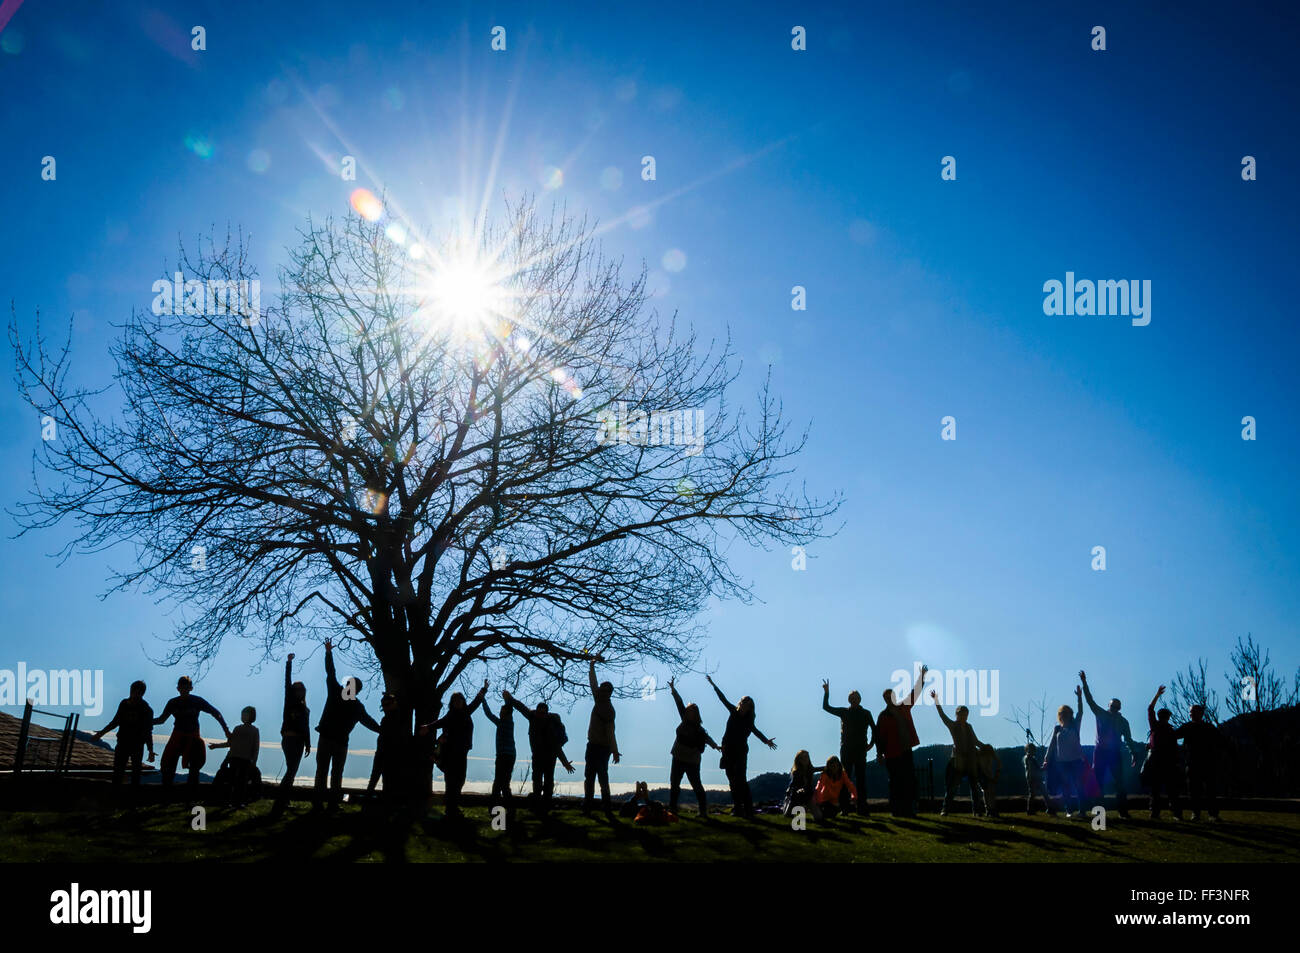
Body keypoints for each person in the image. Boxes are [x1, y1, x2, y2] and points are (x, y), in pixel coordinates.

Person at [312, 640, 381, 811]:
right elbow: (369, 722)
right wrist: (328, 653)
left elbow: (369, 722)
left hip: (332, 740)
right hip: (335, 740)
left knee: (326, 772)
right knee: (331, 773)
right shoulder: (350, 701)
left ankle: (324, 803)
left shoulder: (343, 696)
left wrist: (329, 653)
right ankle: (327, 803)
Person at [707, 674, 777, 819]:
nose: (746, 705)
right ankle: (738, 809)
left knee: (741, 781)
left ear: (751, 708)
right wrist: (713, 685)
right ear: (741, 703)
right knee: (732, 780)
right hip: (727, 749)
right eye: (744, 702)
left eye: (749, 704)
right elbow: (723, 699)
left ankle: (748, 810)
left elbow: (756, 732)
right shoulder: (733, 711)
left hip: (740, 752)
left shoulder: (749, 720)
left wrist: (766, 741)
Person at [153, 676, 230, 799]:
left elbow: (215, 712)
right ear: (178, 688)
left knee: (194, 769)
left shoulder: (197, 701)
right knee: (168, 766)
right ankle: (166, 796)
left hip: (193, 737)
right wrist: (147, 722)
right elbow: (162, 720)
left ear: (190, 688)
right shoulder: (173, 702)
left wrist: (226, 730)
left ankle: (191, 798)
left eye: (186, 688)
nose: (184, 690)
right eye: (181, 687)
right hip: (177, 736)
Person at [419, 680, 488, 816]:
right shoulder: (451, 715)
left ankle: (452, 806)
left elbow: (477, 701)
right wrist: (427, 727)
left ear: (463, 701)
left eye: (460, 700)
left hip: (462, 751)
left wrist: (484, 688)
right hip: (451, 752)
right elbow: (440, 723)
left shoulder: (465, 712)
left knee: (459, 779)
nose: (458, 702)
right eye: (455, 700)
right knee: (452, 780)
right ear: (452, 703)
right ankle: (451, 808)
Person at [504, 691, 575, 812]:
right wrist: (510, 698)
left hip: (549, 756)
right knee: (537, 780)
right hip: (537, 756)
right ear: (537, 711)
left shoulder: (550, 725)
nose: (541, 715)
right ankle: (537, 805)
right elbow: (521, 707)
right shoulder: (532, 717)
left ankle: (545, 805)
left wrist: (565, 763)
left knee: (548, 781)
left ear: (546, 713)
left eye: (543, 713)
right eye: (539, 712)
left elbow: (557, 747)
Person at [1079, 670, 1136, 819]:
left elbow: (1128, 739)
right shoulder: (1101, 714)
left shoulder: (1123, 722)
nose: (1115, 709)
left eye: (1117, 707)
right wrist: (1085, 683)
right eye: (1113, 706)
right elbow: (1090, 700)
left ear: (1120, 708)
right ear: (1108, 706)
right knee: (1098, 783)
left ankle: (1123, 812)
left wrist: (1133, 754)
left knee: (1120, 783)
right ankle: (1099, 815)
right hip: (1101, 752)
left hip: (1115, 752)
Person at [875, 664, 926, 817]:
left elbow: (916, 692)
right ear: (885, 699)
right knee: (896, 782)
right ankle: (897, 810)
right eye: (887, 696)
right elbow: (879, 737)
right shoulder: (883, 716)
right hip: (891, 753)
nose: (890, 698)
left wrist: (922, 676)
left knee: (909, 780)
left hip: (905, 750)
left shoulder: (904, 706)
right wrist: (879, 754)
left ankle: (909, 809)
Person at [932, 690, 992, 817]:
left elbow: (975, 741)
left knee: (974, 786)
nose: (963, 717)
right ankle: (945, 809)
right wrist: (936, 701)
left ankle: (977, 811)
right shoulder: (953, 726)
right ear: (957, 715)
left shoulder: (969, 727)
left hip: (970, 760)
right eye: (961, 714)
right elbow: (942, 716)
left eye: (965, 715)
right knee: (952, 787)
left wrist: (984, 747)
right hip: (958, 760)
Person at [93, 680, 156, 798]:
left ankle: (132, 800)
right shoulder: (124, 704)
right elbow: (115, 721)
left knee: (135, 773)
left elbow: (148, 731)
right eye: (133, 691)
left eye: (138, 692)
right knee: (118, 771)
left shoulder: (146, 709)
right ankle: (115, 798)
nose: (135, 694)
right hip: (122, 742)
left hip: (137, 745)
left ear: (142, 693)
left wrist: (150, 750)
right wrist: (101, 733)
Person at [668, 677, 720, 817]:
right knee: (674, 784)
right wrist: (673, 689)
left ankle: (703, 811)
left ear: (696, 715)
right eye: (688, 711)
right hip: (678, 757)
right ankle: (673, 809)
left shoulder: (699, 729)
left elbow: (707, 738)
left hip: (692, 760)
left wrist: (716, 746)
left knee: (697, 785)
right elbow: (679, 703)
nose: (689, 713)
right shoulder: (684, 720)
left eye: (692, 711)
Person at [822, 679, 874, 816]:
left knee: (861, 779)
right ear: (849, 700)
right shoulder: (844, 712)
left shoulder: (866, 713)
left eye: (856, 698)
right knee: (844, 779)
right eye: (852, 698)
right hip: (846, 750)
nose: (854, 700)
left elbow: (875, 729)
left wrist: (872, 744)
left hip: (860, 750)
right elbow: (826, 707)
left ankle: (862, 808)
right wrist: (826, 692)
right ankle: (845, 808)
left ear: (860, 699)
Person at [270, 654, 310, 819]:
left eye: (301, 689)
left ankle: (284, 800)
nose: (299, 691)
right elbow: (287, 683)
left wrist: (308, 744)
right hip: (289, 739)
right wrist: (288, 663)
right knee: (291, 770)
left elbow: (306, 727)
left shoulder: (305, 709)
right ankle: (280, 800)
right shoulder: (290, 702)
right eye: (296, 689)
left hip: (300, 741)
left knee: (292, 771)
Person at [582, 658, 621, 816]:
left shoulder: (608, 710)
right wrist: (591, 665)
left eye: (605, 690)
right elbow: (593, 682)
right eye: (602, 690)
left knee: (601, 778)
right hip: (593, 746)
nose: (601, 692)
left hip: (601, 748)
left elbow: (611, 732)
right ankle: (589, 806)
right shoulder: (599, 701)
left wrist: (614, 750)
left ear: (609, 693)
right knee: (590, 777)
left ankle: (605, 807)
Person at [1174, 704, 1226, 821]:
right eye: (1190, 712)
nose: (1191, 714)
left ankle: (1212, 814)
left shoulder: (1208, 727)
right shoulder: (1188, 727)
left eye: (1193, 711)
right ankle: (1196, 813)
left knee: (1210, 790)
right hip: (1192, 763)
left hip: (1207, 763)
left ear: (1200, 713)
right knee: (1194, 791)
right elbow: (1173, 736)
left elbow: (1221, 741)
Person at [1043, 686, 1086, 818]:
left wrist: (1079, 697)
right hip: (1062, 762)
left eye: (1068, 713)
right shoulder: (1057, 729)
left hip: (1076, 761)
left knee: (1079, 787)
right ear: (1060, 715)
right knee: (1065, 788)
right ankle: (1069, 811)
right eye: (1063, 713)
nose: (1066, 715)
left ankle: (1082, 811)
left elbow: (1081, 712)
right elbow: (1051, 745)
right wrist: (1046, 759)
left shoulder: (1075, 726)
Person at [1143, 685, 1182, 820]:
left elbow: (1150, 708)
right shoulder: (1170, 730)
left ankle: (1155, 813)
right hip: (1168, 762)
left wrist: (1157, 695)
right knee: (1171, 790)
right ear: (1168, 717)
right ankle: (1175, 813)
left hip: (1158, 762)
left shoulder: (1156, 727)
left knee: (1157, 790)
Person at [208, 706, 260, 806]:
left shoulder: (255, 730)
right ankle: (229, 800)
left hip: (246, 760)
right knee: (232, 781)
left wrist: (254, 762)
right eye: (243, 714)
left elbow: (256, 748)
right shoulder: (237, 728)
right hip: (233, 758)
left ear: (252, 716)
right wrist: (216, 746)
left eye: (246, 714)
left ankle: (239, 801)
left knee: (242, 782)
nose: (244, 716)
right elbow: (230, 744)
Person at [366, 692, 409, 802]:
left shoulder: (397, 718)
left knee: (382, 780)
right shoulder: (390, 718)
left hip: (389, 754)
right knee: (379, 779)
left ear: (394, 704)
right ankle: (375, 803)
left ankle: (374, 804)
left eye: (387, 705)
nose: (385, 708)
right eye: (384, 706)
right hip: (383, 753)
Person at [482, 692, 517, 810]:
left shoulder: (507, 722)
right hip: (505, 755)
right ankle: (502, 808)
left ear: (507, 714)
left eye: (502, 712)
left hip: (506, 756)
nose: (500, 713)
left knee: (501, 783)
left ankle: (500, 807)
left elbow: (490, 713)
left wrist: (507, 699)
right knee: (501, 782)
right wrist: (483, 700)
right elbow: (489, 713)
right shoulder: (503, 722)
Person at [812, 755, 857, 821]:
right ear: (829, 766)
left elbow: (850, 785)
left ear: (839, 766)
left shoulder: (842, 774)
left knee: (832, 813)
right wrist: (818, 801)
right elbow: (819, 787)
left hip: (834, 801)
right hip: (824, 800)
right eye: (832, 766)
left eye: (836, 766)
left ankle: (843, 808)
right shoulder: (825, 774)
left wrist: (854, 796)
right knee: (826, 814)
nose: (834, 768)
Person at [782, 749, 820, 818]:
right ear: (798, 760)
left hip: (807, 795)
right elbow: (793, 785)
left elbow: (821, 768)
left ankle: (805, 808)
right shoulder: (796, 772)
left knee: (819, 817)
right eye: (802, 758)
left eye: (807, 757)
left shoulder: (810, 769)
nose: (805, 759)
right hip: (795, 796)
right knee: (787, 815)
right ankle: (788, 804)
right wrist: (799, 789)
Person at [1024, 737, 1054, 816]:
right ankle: (1031, 810)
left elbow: (1036, 769)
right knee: (1039, 794)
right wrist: (1043, 767)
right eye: (1032, 750)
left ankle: (1031, 810)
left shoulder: (1029, 758)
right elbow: (1035, 769)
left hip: (1033, 778)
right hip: (1033, 778)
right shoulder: (1029, 759)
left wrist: (1042, 768)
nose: (1033, 751)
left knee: (1037, 794)